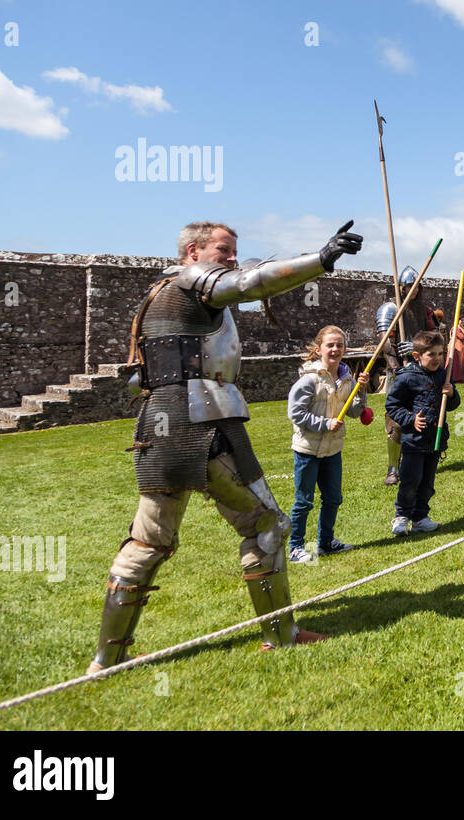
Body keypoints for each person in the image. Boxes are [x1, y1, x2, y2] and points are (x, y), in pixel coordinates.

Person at [88, 219, 362, 672]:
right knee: (267, 525)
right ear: (193, 252)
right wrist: (321, 259)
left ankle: (108, 657)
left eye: (234, 250)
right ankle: (280, 635)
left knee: (148, 542)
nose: (231, 258)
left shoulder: (160, 293)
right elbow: (250, 282)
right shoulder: (193, 280)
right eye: (223, 250)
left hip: (159, 428)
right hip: (203, 423)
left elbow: (248, 272)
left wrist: (277, 263)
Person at [287, 325, 369, 563]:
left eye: (339, 345)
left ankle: (325, 543)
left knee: (333, 498)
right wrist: (325, 423)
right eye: (330, 345)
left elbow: (354, 411)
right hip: (308, 450)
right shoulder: (309, 379)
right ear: (319, 349)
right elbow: (295, 413)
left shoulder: (346, 379)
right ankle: (296, 547)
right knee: (304, 502)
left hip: (333, 449)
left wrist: (361, 391)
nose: (335, 349)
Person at [386, 330, 460, 535]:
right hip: (414, 441)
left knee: (427, 483)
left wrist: (451, 394)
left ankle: (420, 518)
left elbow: (452, 405)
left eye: (440, 353)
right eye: (431, 354)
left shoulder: (443, 375)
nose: (437, 358)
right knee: (410, 481)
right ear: (417, 356)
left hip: (435, 439)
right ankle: (402, 517)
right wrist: (411, 419)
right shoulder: (407, 377)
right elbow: (392, 405)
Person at [376, 266, 442, 487]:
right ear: (401, 287)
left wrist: (415, 345)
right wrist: (397, 368)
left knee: (423, 414)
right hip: (399, 372)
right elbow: (385, 343)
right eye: (408, 286)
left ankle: (419, 456)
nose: (413, 290)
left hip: (422, 371)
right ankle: (393, 467)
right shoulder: (390, 309)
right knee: (395, 420)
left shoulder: (425, 311)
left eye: (416, 286)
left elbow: (436, 337)